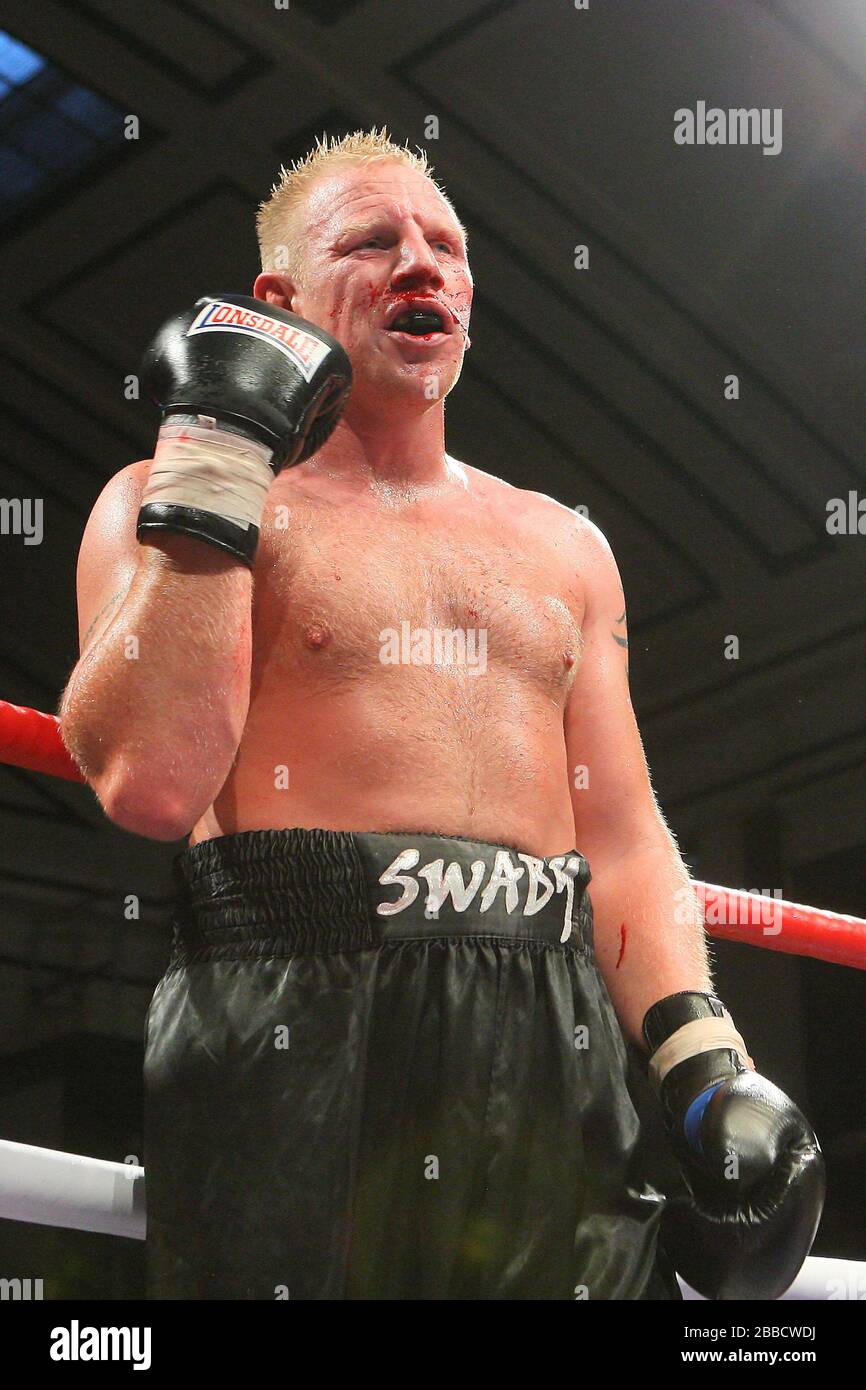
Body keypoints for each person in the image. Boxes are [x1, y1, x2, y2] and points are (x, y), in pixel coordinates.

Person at [59, 129, 823, 1300]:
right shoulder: (169, 498)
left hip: (546, 1018)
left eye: (446, 246)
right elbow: (150, 783)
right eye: (373, 242)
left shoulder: (564, 546)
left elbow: (617, 836)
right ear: (279, 300)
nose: (422, 266)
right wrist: (214, 458)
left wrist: (702, 1062)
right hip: (291, 1006)